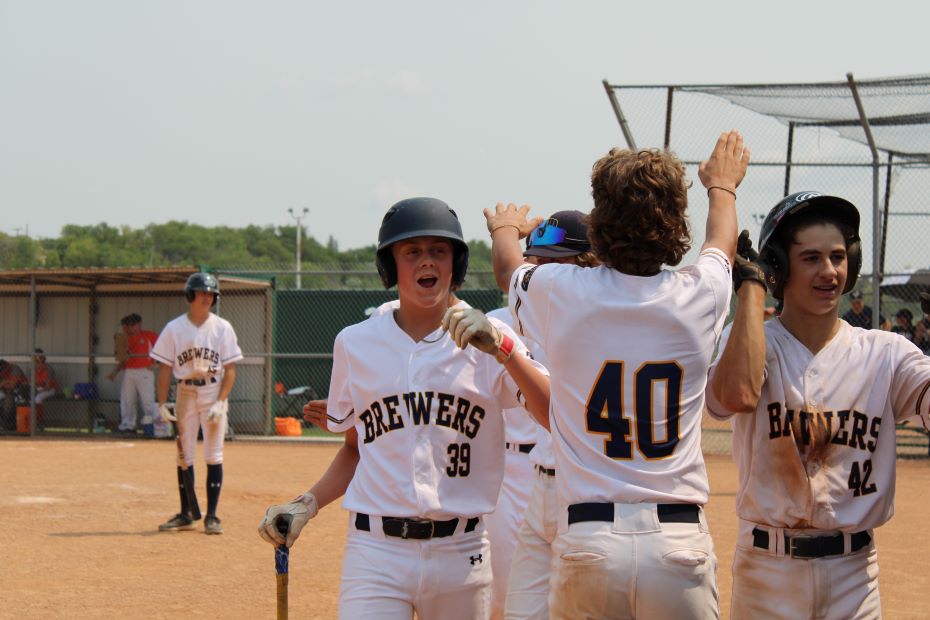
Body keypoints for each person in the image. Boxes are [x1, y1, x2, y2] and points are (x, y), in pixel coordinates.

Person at [485, 130, 749, 619]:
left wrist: (507, 227)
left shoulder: (564, 292)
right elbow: (721, 243)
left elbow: (508, 270)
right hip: (678, 539)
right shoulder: (702, 292)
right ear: (675, 226)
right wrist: (723, 186)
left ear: (600, 222)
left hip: (589, 535)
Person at [258, 197, 550, 620]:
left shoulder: (491, 336)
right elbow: (355, 449)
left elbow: (551, 413)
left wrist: (505, 351)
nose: (426, 262)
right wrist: (307, 504)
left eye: (438, 250)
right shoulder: (356, 342)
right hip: (375, 552)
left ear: (455, 263)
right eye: (411, 251)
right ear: (390, 264)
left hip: (462, 551)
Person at [707, 191, 930, 618]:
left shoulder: (884, 352)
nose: (829, 271)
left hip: (854, 574)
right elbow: (731, 397)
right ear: (777, 267)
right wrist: (751, 293)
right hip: (767, 570)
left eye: (838, 256)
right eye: (810, 258)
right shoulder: (758, 346)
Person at [500, 210, 599, 620]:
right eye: (535, 260)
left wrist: (503, 229)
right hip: (543, 485)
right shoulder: (540, 312)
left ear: (588, 264)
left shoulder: (582, 309)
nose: (538, 271)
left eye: (550, 261)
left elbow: (508, 270)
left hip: (586, 493)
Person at [151, 273, 242, 535]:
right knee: (184, 456)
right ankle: (186, 513)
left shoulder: (222, 327)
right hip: (185, 393)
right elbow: (165, 368)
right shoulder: (174, 328)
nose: (208, 297)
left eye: (211, 293)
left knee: (214, 455)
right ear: (190, 295)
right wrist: (161, 402)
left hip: (213, 391)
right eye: (202, 292)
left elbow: (231, 369)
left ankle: (212, 516)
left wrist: (221, 402)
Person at [107, 314, 168, 437]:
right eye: (128, 325)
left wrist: (155, 364)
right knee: (127, 400)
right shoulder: (124, 338)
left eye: (133, 324)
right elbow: (122, 359)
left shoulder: (149, 336)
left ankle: (151, 427)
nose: (130, 327)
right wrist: (114, 372)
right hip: (129, 371)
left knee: (147, 400)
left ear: (140, 324)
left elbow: (163, 350)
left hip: (144, 371)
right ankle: (128, 426)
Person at [0, 359, 27, 429]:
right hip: (5, 391)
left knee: (8, 404)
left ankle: (8, 426)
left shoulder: (14, 369)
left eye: (2, 369)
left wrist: (3, 383)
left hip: (19, 392)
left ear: (5, 366)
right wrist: (5, 382)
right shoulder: (3, 372)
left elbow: (12, 386)